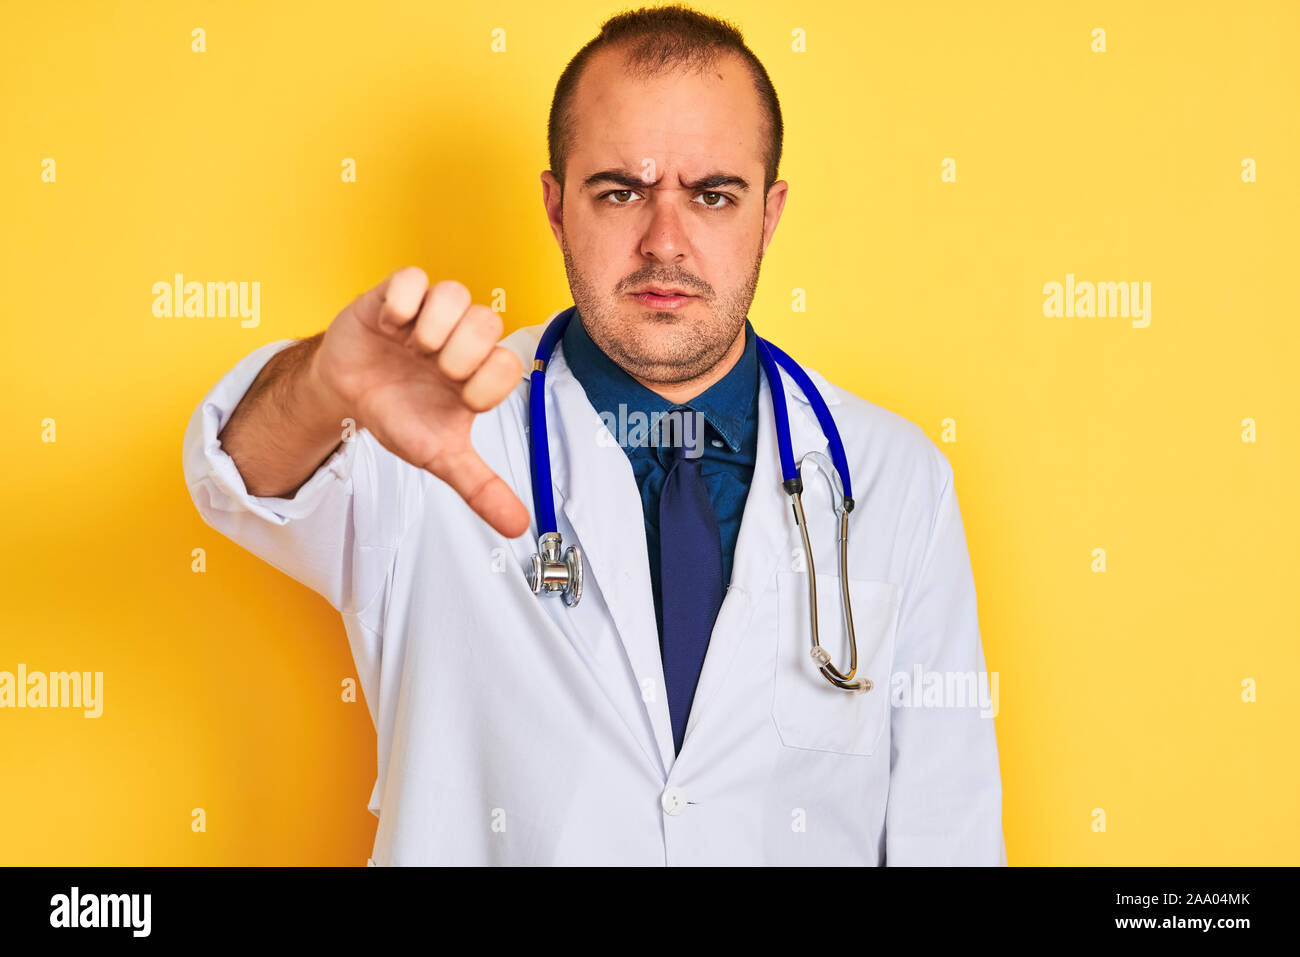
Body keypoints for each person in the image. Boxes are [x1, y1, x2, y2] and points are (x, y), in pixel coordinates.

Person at [182, 3, 1006, 865]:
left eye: (713, 195)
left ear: (768, 213)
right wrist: (323, 386)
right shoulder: (433, 427)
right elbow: (241, 475)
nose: (664, 243)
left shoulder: (894, 477)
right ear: (555, 204)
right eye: (621, 191)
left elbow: (948, 835)